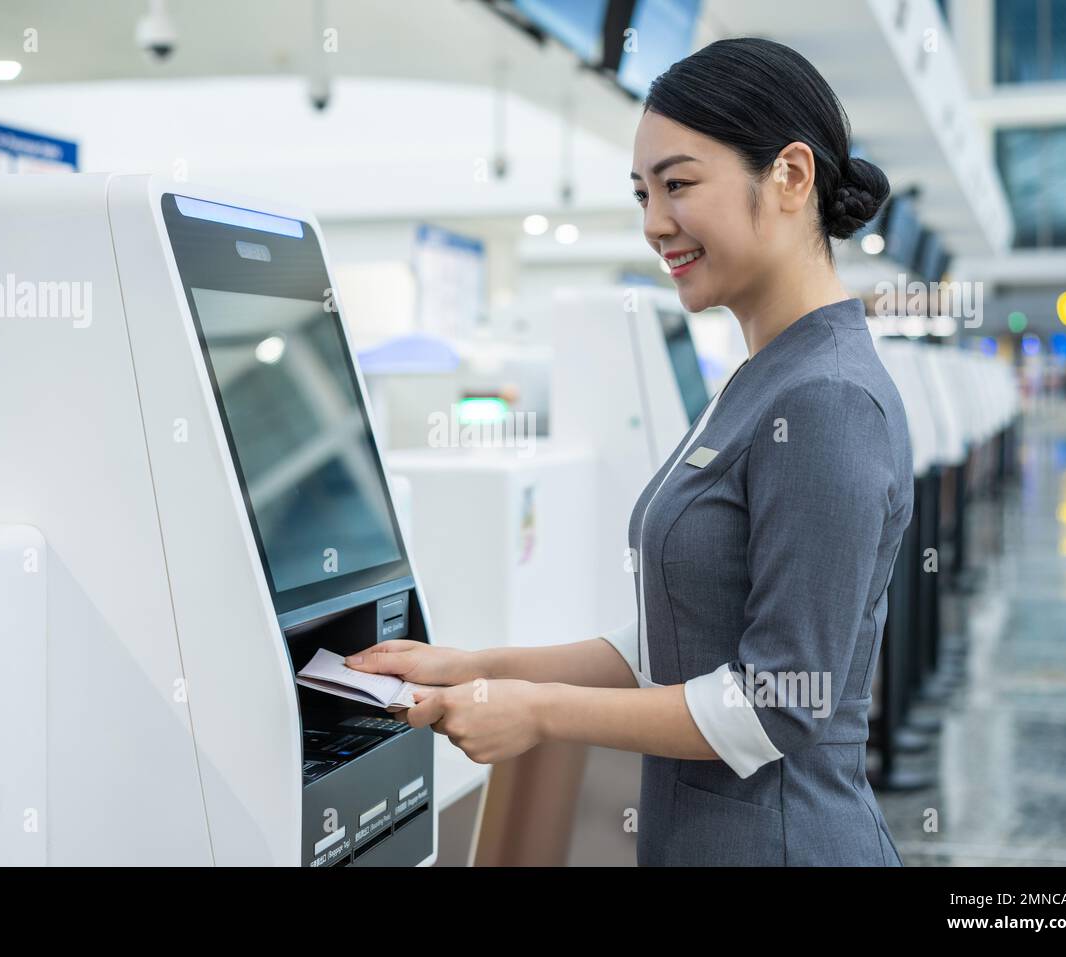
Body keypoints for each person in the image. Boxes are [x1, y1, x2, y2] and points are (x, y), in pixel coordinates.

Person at [348, 37, 912, 866]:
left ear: (791, 176)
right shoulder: (764, 376)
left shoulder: (825, 397)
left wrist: (535, 712)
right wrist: (476, 662)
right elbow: (677, 634)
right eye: (645, 192)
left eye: (679, 184)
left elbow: (777, 702)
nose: (655, 223)